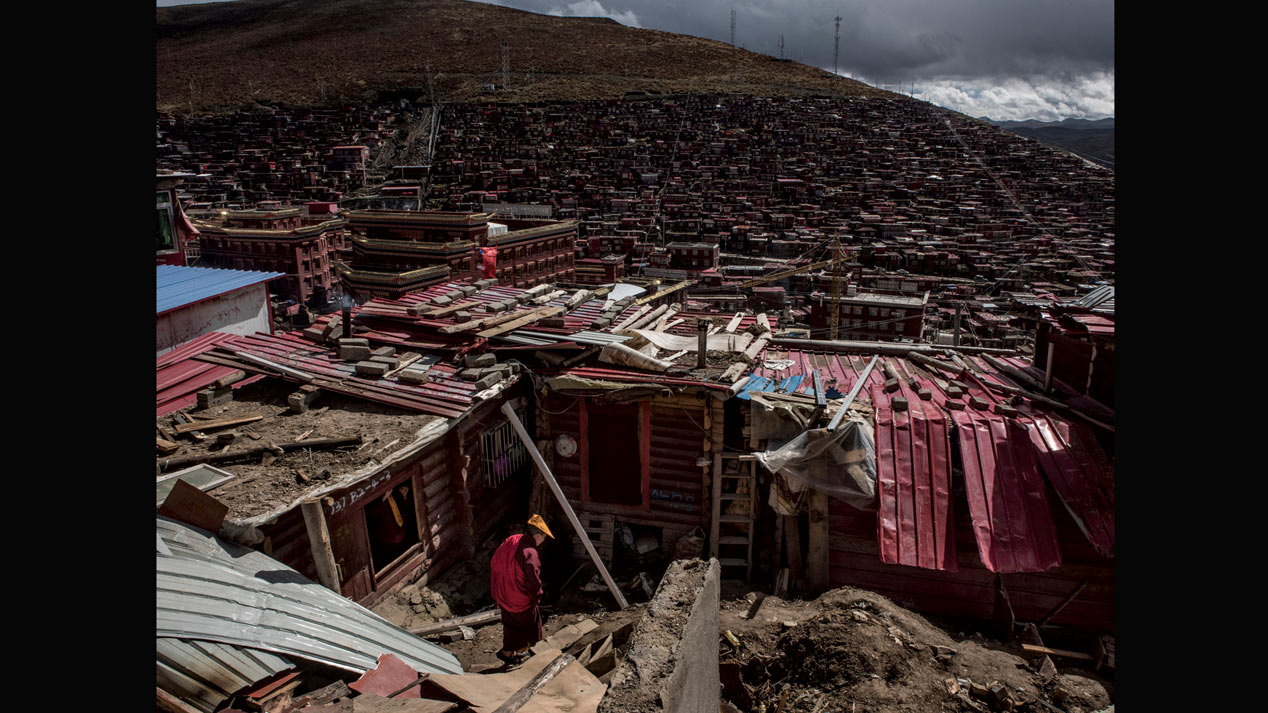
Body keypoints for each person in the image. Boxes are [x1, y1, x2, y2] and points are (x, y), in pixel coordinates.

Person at [490, 514, 554, 665]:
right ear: (538, 535)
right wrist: (536, 595)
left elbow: (495, 560)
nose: (542, 541)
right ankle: (518, 652)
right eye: (543, 538)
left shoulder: (513, 539)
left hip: (503, 592)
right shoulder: (530, 553)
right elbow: (533, 579)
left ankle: (507, 651)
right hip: (518, 597)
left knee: (509, 624)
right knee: (528, 625)